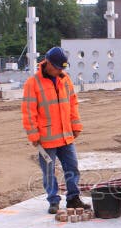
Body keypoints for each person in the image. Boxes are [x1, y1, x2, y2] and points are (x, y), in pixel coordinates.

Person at [22, 46, 90, 214]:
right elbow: (29, 111)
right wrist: (33, 135)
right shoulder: (33, 83)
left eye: (62, 68)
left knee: (72, 168)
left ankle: (73, 199)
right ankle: (53, 201)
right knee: (48, 172)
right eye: (57, 67)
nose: (59, 70)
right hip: (47, 138)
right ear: (48, 63)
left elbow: (72, 104)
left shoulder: (65, 79)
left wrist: (76, 125)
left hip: (66, 135)